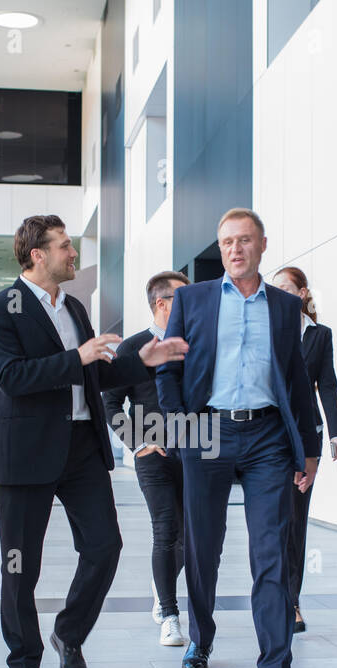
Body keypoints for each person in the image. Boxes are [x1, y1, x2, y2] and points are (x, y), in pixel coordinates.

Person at [0, 215, 188, 668]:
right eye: (65, 247)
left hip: (81, 448)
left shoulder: (73, 307)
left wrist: (142, 361)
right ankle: (24, 662)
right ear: (38, 255)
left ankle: (69, 635)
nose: (74, 255)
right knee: (20, 565)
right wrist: (78, 358)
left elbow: (93, 377)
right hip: (26, 453)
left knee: (104, 547)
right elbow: (11, 377)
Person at [157, 207, 319, 668]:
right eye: (227, 242)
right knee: (203, 547)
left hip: (268, 435)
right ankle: (201, 638)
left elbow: (296, 380)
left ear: (262, 246)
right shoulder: (192, 299)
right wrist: (178, 426)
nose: (234, 250)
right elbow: (167, 365)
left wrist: (308, 448)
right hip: (207, 431)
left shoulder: (285, 309)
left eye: (244, 241)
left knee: (271, 550)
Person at [103, 270, 190, 646]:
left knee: (191, 535)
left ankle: (162, 586)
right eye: (184, 299)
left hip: (194, 451)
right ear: (162, 303)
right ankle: (169, 614)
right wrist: (137, 443)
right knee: (165, 528)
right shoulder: (133, 347)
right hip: (152, 454)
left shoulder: (194, 342)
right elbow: (110, 401)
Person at [272, 266, 337, 634]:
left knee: (296, 521)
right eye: (275, 287)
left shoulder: (319, 335)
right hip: (269, 436)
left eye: (286, 287)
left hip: (306, 438)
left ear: (301, 293)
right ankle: (273, 599)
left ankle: (292, 601)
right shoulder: (267, 330)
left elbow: (327, 385)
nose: (278, 292)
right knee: (273, 522)